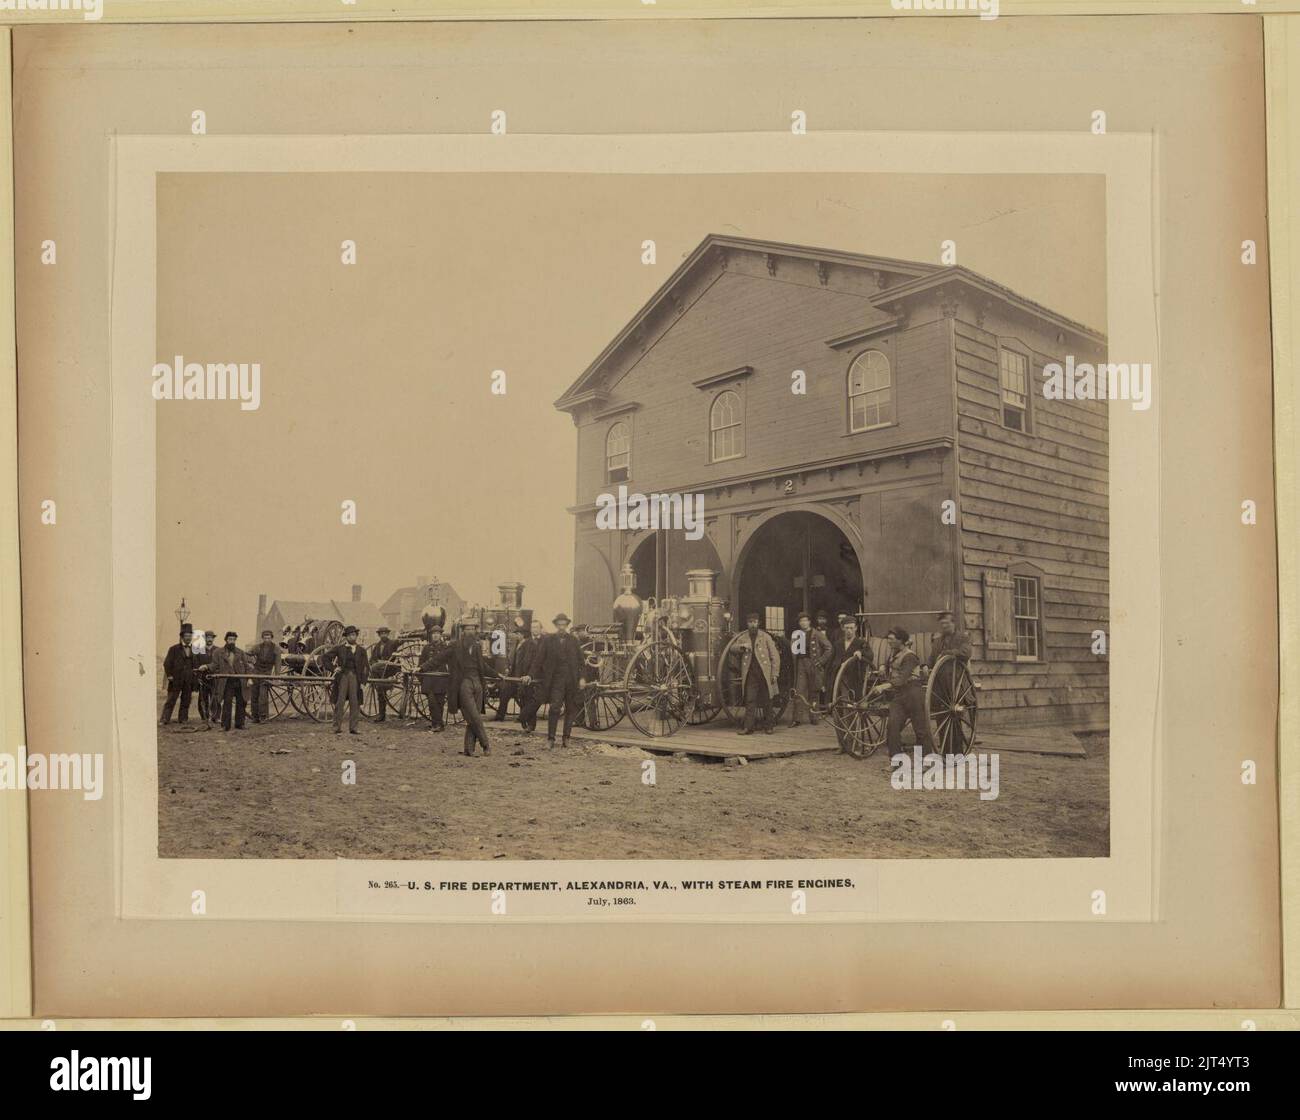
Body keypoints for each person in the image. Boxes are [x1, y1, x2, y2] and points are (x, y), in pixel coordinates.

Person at [426, 616, 498, 756]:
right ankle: (486, 744)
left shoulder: (477, 646)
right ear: (463, 631)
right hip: (463, 683)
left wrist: (497, 674)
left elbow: (482, 665)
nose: (470, 631)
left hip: (477, 683)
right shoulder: (455, 645)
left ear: (475, 631)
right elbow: (439, 658)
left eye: (472, 629)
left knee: (474, 715)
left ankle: (468, 749)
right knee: (474, 716)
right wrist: (423, 667)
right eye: (467, 629)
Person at [883, 625, 936, 756]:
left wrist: (884, 686)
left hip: (913, 693)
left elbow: (902, 679)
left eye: (891, 639)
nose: (889, 641)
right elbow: (890, 666)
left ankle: (927, 760)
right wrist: (882, 667)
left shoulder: (910, 657)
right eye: (888, 639)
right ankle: (896, 760)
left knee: (920, 730)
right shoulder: (893, 654)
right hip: (899, 695)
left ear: (900, 640)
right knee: (892, 727)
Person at [538, 612, 585, 747]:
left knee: (570, 709)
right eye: (559, 624)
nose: (561, 627)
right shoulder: (548, 640)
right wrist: (531, 675)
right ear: (556, 625)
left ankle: (566, 738)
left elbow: (582, 663)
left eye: (564, 624)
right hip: (556, 681)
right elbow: (539, 660)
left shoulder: (574, 641)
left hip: (572, 680)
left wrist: (582, 678)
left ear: (567, 625)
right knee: (554, 708)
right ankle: (551, 739)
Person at [730, 612, 780, 735]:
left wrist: (775, 674)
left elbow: (775, 656)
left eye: (755, 622)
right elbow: (732, 648)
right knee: (750, 700)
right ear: (747, 623)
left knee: (767, 700)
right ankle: (748, 727)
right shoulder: (743, 637)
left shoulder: (765, 637)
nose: (753, 624)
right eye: (750, 622)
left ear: (758, 623)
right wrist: (742, 646)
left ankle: (769, 726)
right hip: (750, 673)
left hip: (764, 673)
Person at [317, 625, 369, 734]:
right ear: (346, 637)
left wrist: (363, 682)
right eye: (350, 635)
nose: (352, 637)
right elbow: (325, 657)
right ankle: (336, 727)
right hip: (343, 677)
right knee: (340, 702)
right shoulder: (340, 648)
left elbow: (366, 667)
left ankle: (354, 728)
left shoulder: (362, 650)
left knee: (355, 703)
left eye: (354, 635)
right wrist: (333, 668)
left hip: (356, 678)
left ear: (356, 636)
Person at [790, 612, 830, 726]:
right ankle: (797, 719)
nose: (803, 623)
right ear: (799, 623)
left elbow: (829, 648)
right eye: (801, 621)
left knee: (814, 691)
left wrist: (821, 661)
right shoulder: (796, 635)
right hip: (800, 664)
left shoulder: (817, 634)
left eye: (805, 620)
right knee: (799, 691)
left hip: (813, 664)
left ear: (809, 622)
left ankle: (814, 717)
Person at [210, 631, 251, 731]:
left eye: (233, 639)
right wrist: (205, 667)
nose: (232, 641)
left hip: (240, 681)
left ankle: (240, 724)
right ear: (226, 640)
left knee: (241, 702)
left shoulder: (240, 652)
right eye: (230, 639)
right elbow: (214, 665)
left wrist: (249, 678)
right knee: (227, 703)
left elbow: (247, 667)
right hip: (228, 682)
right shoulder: (218, 652)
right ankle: (225, 725)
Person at [492, 615, 530, 722]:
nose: (515, 635)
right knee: (505, 693)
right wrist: (509, 668)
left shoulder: (528, 646)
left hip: (522, 676)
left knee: (522, 696)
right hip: (513, 676)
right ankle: (500, 716)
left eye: (517, 634)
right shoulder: (517, 644)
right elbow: (511, 659)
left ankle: (523, 717)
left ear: (522, 635)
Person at [160, 624, 198, 725]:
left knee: (186, 700)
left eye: (190, 636)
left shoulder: (195, 649)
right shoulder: (174, 649)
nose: (188, 638)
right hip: (175, 679)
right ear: (182, 637)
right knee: (171, 700)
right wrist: (169, 675)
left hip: (188, 680)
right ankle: (164, 719)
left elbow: (196, 664)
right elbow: (167, 663)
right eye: (186, 636)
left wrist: (194, 677)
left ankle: (183, 719)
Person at [416, 625, 451, 732]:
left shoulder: (445, 647)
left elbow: (449, 663)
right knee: (431, 702)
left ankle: (437, 724)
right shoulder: (426, 648)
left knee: (440, 702)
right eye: (433, 634)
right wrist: (422, 679)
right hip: (429, 679)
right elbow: (421, 663)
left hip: (441, 678)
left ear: (441, 635)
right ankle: (437, 724)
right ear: (431, 635)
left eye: (437, 634)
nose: (435, 635)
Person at [368, 626, 402, 723]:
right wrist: (374, 664)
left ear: (388, 634)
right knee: (380, 691)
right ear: (379, 635)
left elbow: (400, 641)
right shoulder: (377, 646)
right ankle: (381, 714)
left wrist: (402, 637)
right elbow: (372, 659)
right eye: (381, 633)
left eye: (385, 633)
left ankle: (382, 715)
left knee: (381, 688)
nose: (383, 635)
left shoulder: (392, 643)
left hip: (390, 669)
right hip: (380, 671)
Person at [247, 628, 282, 723]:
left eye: (269, 638)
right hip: (256, 672)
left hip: (266, 674)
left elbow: (278, 663)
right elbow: (247, 654)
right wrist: (251, 661)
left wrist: (277, 676)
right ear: (262, 638)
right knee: (254, 695)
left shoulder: (276, 649)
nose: (267, 640)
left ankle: (263, 717)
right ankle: (255, 717)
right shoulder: (257, 647)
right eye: (265, 638)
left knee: (263, 696)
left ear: (271, 638)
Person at [197, 629, 219, 724]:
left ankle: (215, 717)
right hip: (203, 677)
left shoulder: (218, 650)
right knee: (203, 697)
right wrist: (198, 677)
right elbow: (196, 664)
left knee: (215, 697)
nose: (209, 639)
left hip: (215, 677)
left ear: (213, 639)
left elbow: (219, 664)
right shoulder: (199, 650)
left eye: (211, 637)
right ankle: (204, 717)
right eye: (207, 637)